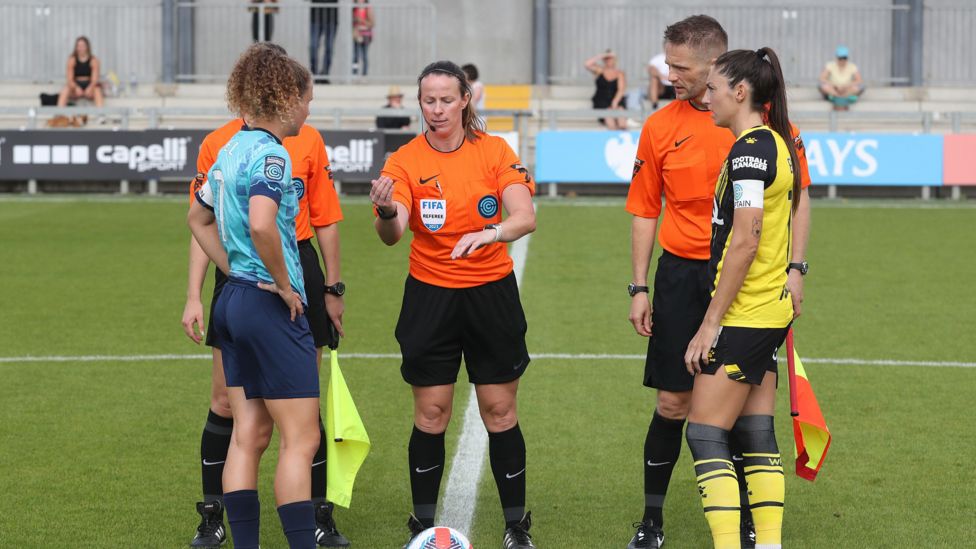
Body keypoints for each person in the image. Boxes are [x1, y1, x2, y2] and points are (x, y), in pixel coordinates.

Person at [625, 15, 811, 549]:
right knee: (674, 406)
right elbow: (643, 208)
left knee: (725, 420)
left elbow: (788, 207)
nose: (670, 74)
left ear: (721, 72)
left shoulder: (761, 137)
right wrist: (639, 286)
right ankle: (653, 521)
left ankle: (746, 530)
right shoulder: (661, 125)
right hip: (684, 275)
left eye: (680, 66)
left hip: (745, 287)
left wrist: (797, 269)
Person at [182, 47, 348, 548]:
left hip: (232, 301)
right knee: (302, 439)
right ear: (287, 97)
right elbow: (260, 222)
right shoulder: (272, 153)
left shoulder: (230, 147)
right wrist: (279, 281)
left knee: (246, 436)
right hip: (267, 307)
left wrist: (233, 271)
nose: (309, 110)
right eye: (307, 100)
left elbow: (196, 217)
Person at [369, 60, 537, 549]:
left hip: (491, 295)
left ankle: (515, 526)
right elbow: (392, 232)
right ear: (419, 102)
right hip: (431, 298)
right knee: (432, 414)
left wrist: (490, 233)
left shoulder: (496, 151)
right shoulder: (403, 160)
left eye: (446, 100)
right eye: (428, 101)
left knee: (500, 411)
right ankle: (422, 524)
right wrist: (383, 210)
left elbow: (524, 216)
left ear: (466, 99)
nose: (437, 109)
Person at [683, 46, 800, 549]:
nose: (704, 97)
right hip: (767, 311)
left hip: (745, 314)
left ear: (740, 91)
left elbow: (747, 238)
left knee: (705, 433)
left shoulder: (751, 150)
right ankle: (768, 544)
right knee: (754, 433)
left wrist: (710, 323)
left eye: (712, 88)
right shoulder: (776, 143)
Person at [56, 36, 104, 110]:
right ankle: (59, 113)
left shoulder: (93, 60)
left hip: (89, 84)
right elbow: (69, 79)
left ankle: (101, 115)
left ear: (87, 47)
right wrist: (76, 88)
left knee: (97, 90)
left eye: (82, 46)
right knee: (65, 89)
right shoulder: (72, 59)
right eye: (78, 46)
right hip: (76, 84)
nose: (80, 48)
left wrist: (90, 88)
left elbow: (94, 79)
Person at [585, 49, 627, 129]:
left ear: (615, 60)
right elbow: (587, 64)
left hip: (616, 100)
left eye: (611, 58)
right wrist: (602, 55)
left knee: (620, 113)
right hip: (601, 101)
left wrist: (615, 101)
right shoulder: (599, 71)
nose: (609, 61)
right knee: (609, 116)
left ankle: (624, 135)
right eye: (607, 59)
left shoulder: (619, 73)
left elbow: (621, 89)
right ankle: (613, 134)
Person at [818, 45, 864, 111]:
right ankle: (842, 97)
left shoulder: (852, 66)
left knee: (856, 88)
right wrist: (835, 85)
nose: (842, 60)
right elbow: (822, 78)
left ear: (847, 58)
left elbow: (859, 80)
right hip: (834, 88)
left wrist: (846, 86)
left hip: (847, 88)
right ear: (837, 58)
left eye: (844, 58)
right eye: (840, 58)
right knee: (825, 87)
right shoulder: (830, 65)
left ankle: (836, 98)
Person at [310, 0, 339, 83]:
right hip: (315, 19)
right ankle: (314, 74)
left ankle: (325, 74)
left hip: (331, 19)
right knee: (313, 46)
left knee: (329, 48)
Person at [352, 0, 374, 76]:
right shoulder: (354, 9)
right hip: (357, 35)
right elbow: (353, 24)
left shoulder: (367, 9)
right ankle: (354, 74)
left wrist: (361, 20)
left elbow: (372, 23)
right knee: (355, 57)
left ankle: (364, 74)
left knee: (364, 56)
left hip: (365, 35)